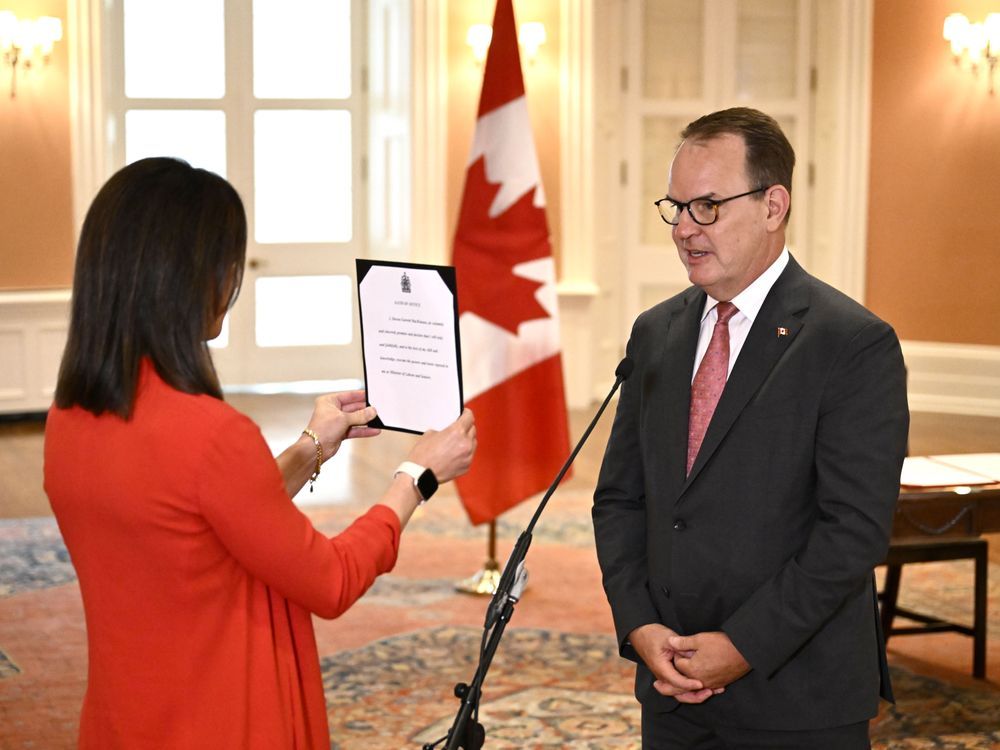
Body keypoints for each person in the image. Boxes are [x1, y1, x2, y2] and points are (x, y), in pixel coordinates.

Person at [44, 157, 477, 749]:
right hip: (221, 719)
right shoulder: (210, 434)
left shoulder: (68, 420)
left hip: (122, 720)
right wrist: (417, 475)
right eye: (227, 262)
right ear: (188, 278)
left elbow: (200, 518)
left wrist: (312, 446)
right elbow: (331, 580)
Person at [592, 108, 909, 749]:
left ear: (773, 205)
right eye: (676, 207)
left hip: (797, 697)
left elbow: (852, 531)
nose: (684, 228)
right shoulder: (655, 332)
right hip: (671, 690)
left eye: (707, 206)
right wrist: (639, 626)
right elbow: (621, 499)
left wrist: (742, 645)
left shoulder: (852, 343)